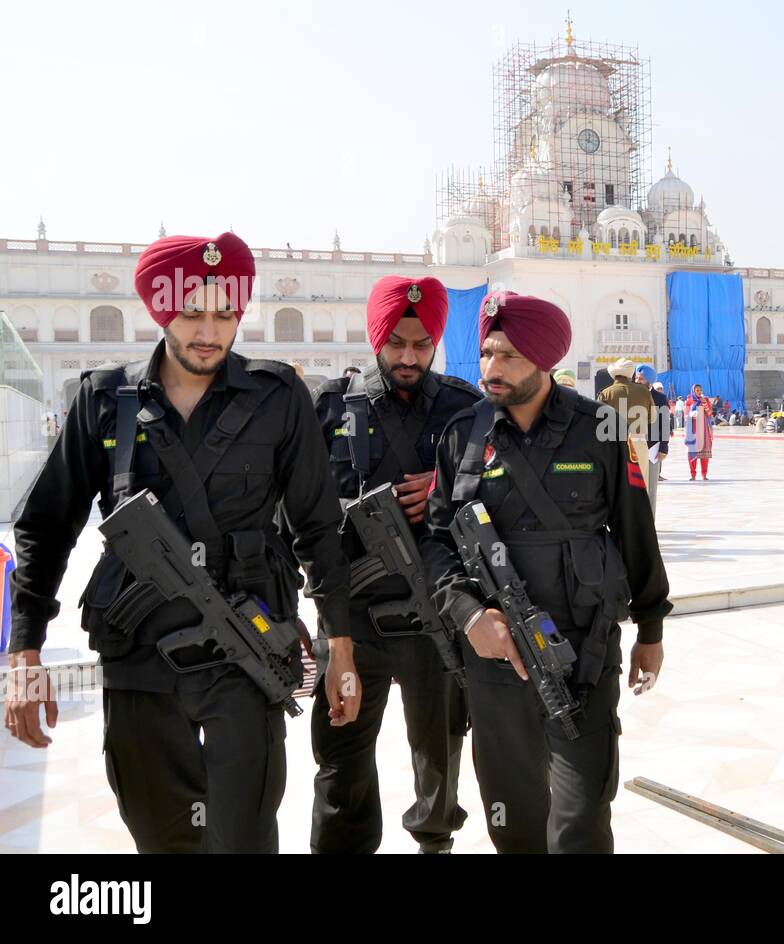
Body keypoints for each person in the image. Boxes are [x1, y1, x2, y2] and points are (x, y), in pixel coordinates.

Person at [4, 232, 357, 853]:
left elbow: (319, 528)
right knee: (161, 834)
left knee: (243, 835)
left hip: (245, 652)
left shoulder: (278, 398)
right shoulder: (104, 402)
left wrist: (342, 646)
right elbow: (47, 524)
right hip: (138, 655)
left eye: (226, 314)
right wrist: (24, 652)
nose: (210, 330)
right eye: (192, 311)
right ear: (161, 309)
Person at [421, 291, 671, 853]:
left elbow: (636, 532)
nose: (491, 369)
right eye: (486, 353)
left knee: (581, 819)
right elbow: (435, 543)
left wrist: (650, 631)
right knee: (512, 820)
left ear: (545, 359)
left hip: (583, 653)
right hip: (494, 659)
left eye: (509, 356)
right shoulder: (464, 433)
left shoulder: (601, 428)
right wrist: (468, 615)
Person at [308, 275, 482, 854]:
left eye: (422, 344)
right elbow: (297, 513)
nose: (409, 358)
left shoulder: (466, 409)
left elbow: (503, 491)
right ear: (377, 337)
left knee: (440, 756)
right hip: (352, 624)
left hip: (435, 617)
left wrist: (447, 482)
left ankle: (436, 844)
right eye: (397, 344)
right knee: (341, 761)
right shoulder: (332, 407)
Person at [599, 359, 655, 502]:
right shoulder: (643, 391)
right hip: (638, 442)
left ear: (614, 376)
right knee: (640, 486)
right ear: (630, 375)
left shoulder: (606, 393)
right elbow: (652, 418)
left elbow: (597, 421)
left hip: (613, 445)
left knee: (615, 486)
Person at [635, 365, 670, 515]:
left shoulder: (660, 398)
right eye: (636, 377)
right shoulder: (632, 394)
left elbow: (665, 423)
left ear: (649, 381)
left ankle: (650, 523)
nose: (637, 380)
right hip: (634, 446)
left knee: (651, 489)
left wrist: (663, 447)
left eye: (641, 379)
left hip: (652, 448)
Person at [684, 384, 714, 480]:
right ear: (693, 391)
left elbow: (709, 413)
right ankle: (693, 475)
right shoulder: (689, 401)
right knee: (692, 451)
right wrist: (691, 415)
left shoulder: (705, 400)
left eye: (700, 390)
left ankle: (704, 474)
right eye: (697, 390)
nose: (699, 392)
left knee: (704, 453)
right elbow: (685, 415)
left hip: (704, 430)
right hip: (693, 430)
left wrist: (704, 403)